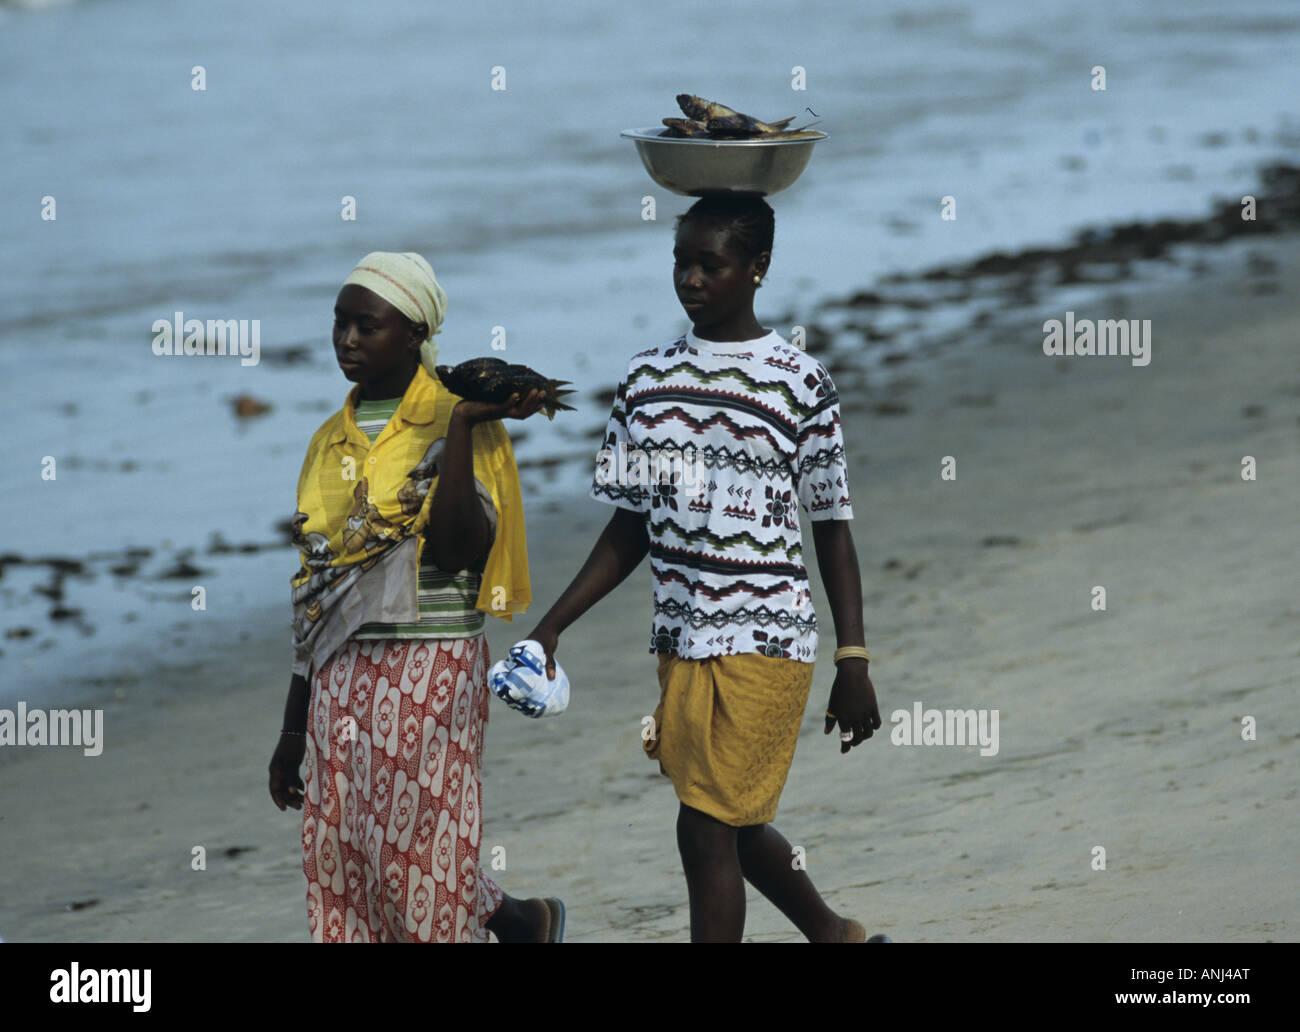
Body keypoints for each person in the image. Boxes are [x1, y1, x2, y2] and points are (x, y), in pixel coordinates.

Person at [526, 196, 882, 942]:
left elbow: (833, 528)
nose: (690, 279)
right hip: (680, 641)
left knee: (704, 829)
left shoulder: (799, 382)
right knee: (736, 822)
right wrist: (554, 624)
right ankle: (835, 934)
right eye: (681, 262)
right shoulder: (645, 379)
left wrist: (854, 658)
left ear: (758, 269)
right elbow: (631, 526)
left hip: (769, 638)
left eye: (709, 264)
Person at [268, 251, 564, 943]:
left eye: (366, 326)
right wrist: (290, 731)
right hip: (339, 677)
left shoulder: (462, 419)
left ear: (413, 335)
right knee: (347, 854)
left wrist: (459, 427)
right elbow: (316, 596)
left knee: (423, 856)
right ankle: (521, 922)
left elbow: (462, 548)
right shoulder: (326, 444)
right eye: (340, 324)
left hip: (431, 665)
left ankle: (516, 922)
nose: (347, 339)